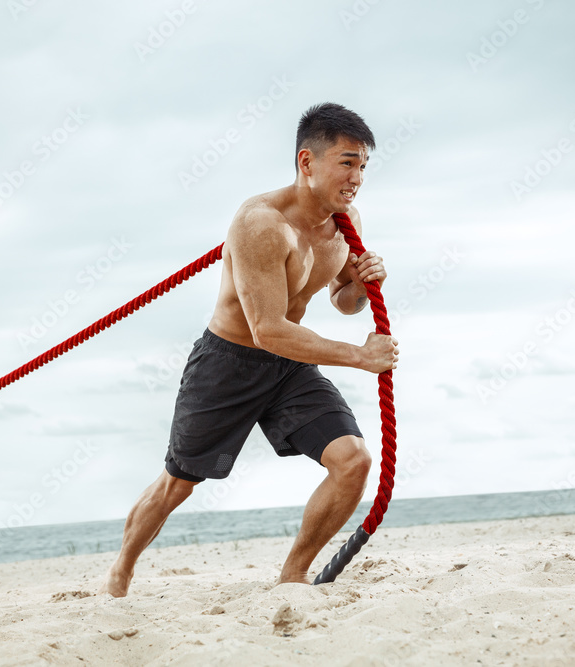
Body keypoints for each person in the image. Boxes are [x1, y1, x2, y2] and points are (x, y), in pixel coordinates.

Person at [103, 102, 399, 597]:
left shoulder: (346, 224)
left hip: (289, 366)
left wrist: (364, 282)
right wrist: (359, 356)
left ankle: (292, 576)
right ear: (307, 162)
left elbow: (342, 301)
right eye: (347, 162)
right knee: (177, 484)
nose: (357, 177)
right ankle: (122, 570)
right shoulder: (261, 224)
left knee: (354, 461)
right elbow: (266, 329)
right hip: (229, 362)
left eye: (363, 166)